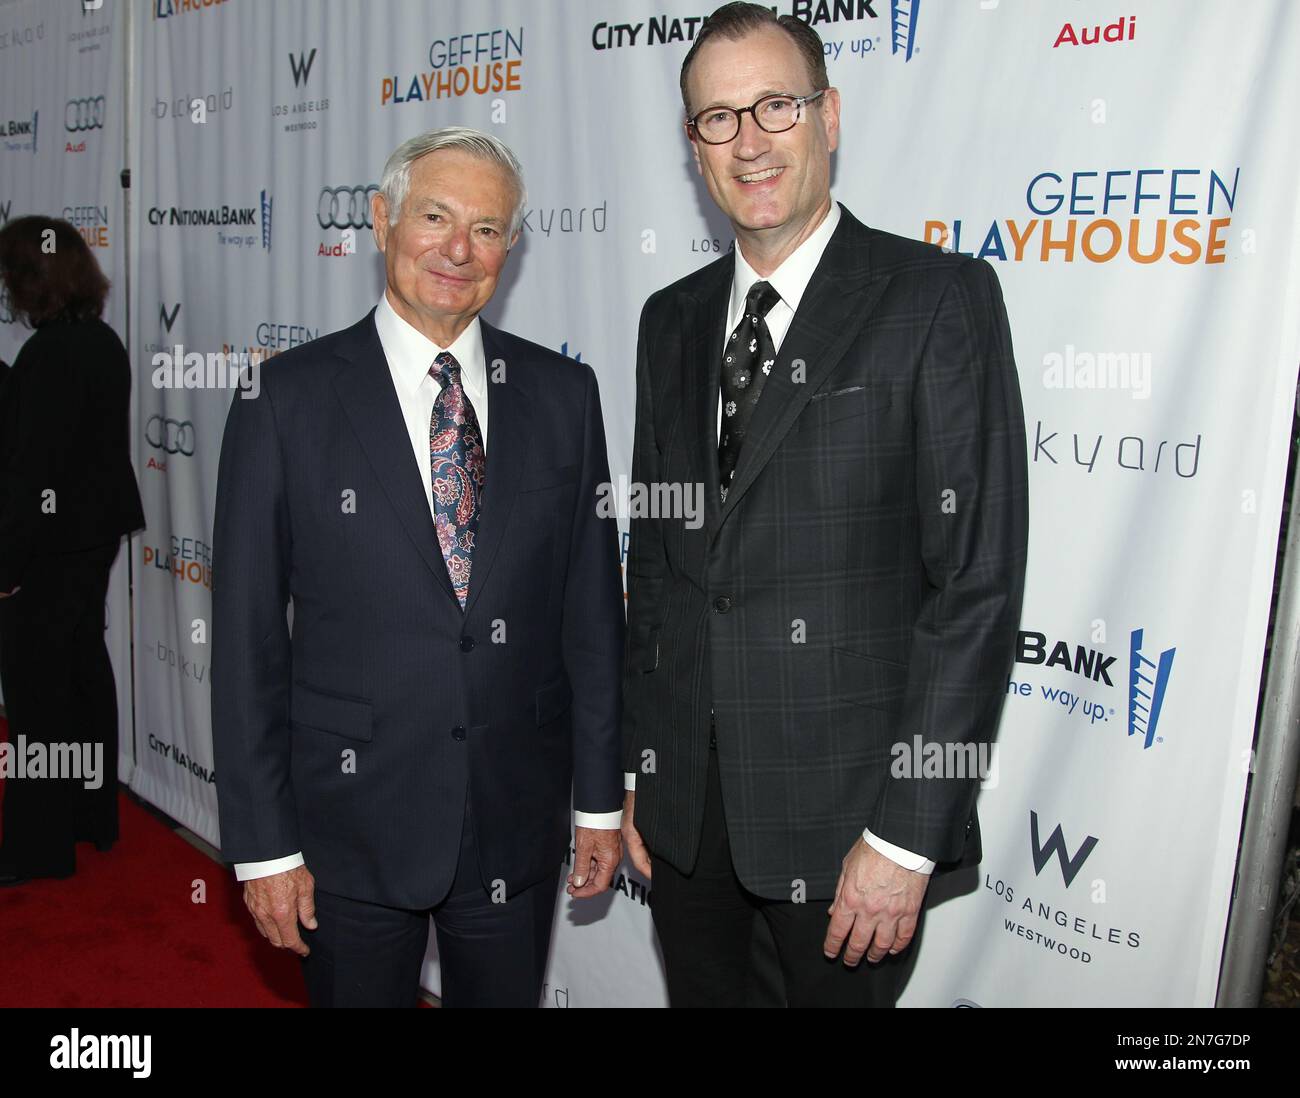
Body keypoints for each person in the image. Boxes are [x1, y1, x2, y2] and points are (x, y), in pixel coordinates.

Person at [620, 3, 1029, 1007]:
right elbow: (658, 568)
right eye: (718, 118)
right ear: (693, 146)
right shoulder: (667, 321)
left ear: (829, 116)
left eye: (774, 106)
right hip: (689, 826)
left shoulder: (936, 299)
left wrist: (905, 832)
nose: (748, 140)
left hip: (851, 831)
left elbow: (974, 586)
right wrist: (643, 768)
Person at [212, 127, 625, 1007]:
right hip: (346, 824)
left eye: (486, 229)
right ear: (381, 220)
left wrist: (598, 800)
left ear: (509, 253)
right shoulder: (284, 398)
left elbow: (591, 615)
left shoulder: (563, 396)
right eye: (435, 216)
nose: (457, 249)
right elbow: (246, 644)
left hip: (514, 816)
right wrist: (264, 846)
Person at [0, 216, 144, 886]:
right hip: (93, 537)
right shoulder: (100, 341)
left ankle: (37, 848)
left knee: (37, 696)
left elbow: (32, 478)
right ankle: (93, 817)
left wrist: (6, 571)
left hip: (52, 548)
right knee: (84, 672)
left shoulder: (48, 356)